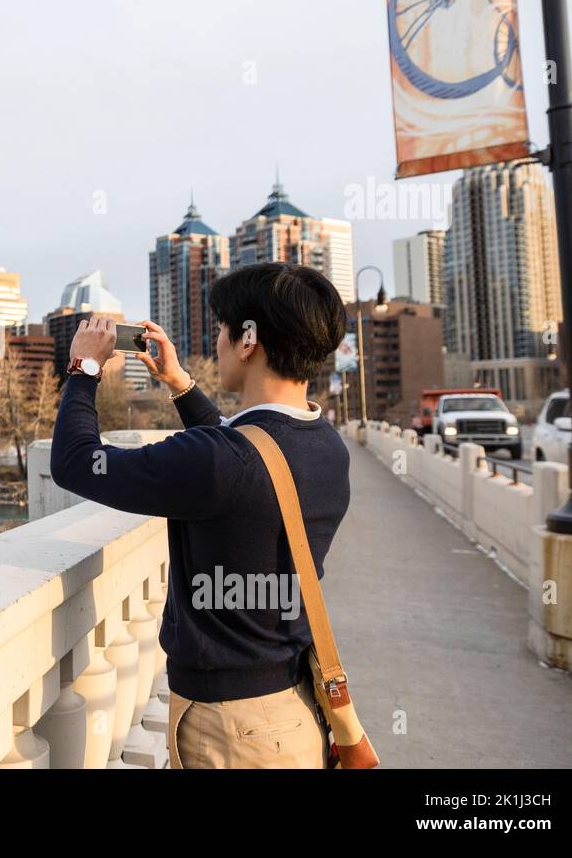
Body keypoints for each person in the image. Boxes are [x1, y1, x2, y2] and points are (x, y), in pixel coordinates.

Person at [49, 262, 349, 768]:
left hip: (233, 731)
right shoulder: (326, 447)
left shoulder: (219, 461)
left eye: (222, 329)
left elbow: (76, 462)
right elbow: (249, 452)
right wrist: (179, 384)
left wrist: (84, 370)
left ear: (248, 340)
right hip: (293, 705)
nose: (217, 343)